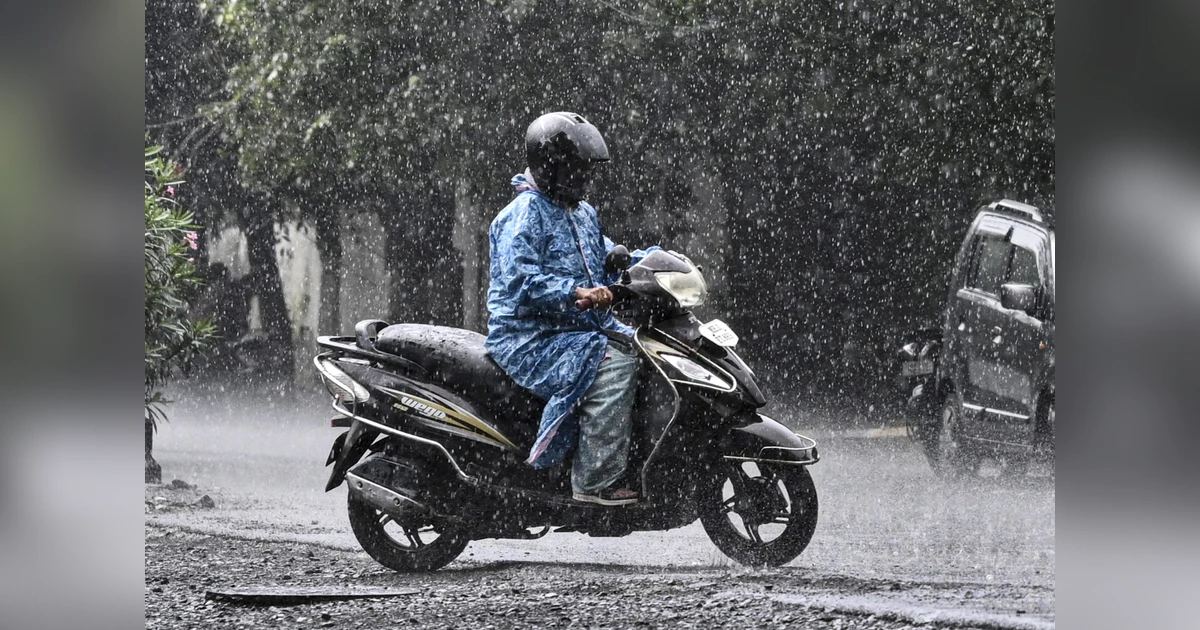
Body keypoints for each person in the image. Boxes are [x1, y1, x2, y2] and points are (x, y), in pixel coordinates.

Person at [485, 112, 657, 506]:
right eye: (577, 169)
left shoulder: (581, 211)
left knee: (651, 352)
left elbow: (609, 255)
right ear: (550, 165)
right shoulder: (522, 215)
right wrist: (576, 291)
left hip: (580, 329)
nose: (584, 179)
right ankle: (594, 483)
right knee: (616, 363)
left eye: (587, 171)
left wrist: (655, 263)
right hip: (532, 339)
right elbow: (522, 283)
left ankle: (633, 459)